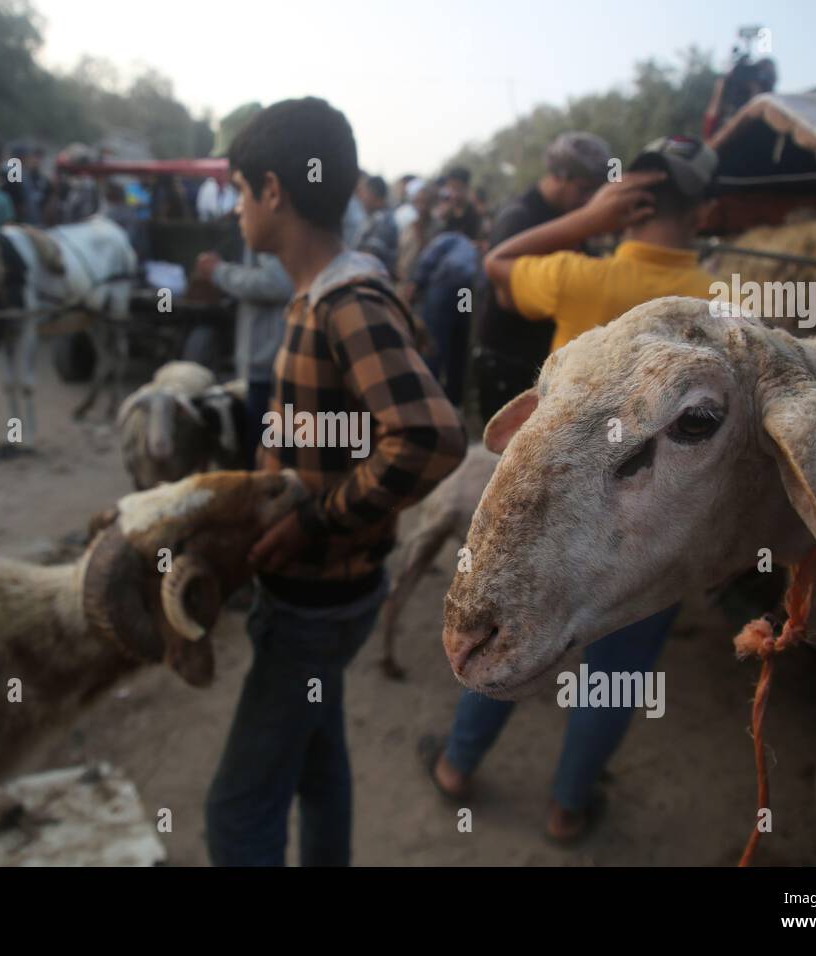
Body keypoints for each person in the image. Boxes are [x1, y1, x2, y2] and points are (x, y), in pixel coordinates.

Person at [421, 135, 721, 845]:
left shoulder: (580, 278)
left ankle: (457, 768)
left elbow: (497, 265)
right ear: (703, 212)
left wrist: (589, 219)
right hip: (657, 526)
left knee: (504, 635)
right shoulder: (725, 308)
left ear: (627, 201)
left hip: (548, 510)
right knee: (615, 672)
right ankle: (566, 807)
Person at [204, 97, 466, 866]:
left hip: (316, 600)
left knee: (237, 808)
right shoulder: (319, 294)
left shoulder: (348, 303)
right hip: (328, 592)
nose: (238, 208)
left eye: (242, 191)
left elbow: (429, 434)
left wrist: (317, 520)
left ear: (275, 192)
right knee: (317, 765)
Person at [473, 131, 612, 421]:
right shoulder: (521, 217)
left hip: (538, 360)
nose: (588, 201)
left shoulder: (564, 214)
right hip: (510, 362)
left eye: (595, 194)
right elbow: (506, 293)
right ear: (560, 175)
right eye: (584, 190)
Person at [193, 240, 293, 456]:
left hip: (268, 366)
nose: (240, 211)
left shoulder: (267, 235)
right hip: (263, 362)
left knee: (262, 455)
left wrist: (219, 272)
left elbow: (278, 282)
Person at [405, 216, 480, 406]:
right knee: (458, 344)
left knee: (434, 345)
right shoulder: (474, 250)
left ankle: (428, 401)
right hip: (466, 291)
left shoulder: (448, 237)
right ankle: (454, 401)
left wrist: (415, 284)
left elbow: (427, 260)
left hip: (443, 287)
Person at [352, 174, 398, 275]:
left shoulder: (383, 221)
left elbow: (369, 257)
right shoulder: (376, 217)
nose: (361, 198)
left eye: (364, 193)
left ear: (373, 195)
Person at [434, 166, 480, 238]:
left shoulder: (474, 214)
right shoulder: (445, 213)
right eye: (452, 188)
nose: (454, 194)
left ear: (466, 188)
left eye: (458, 188)